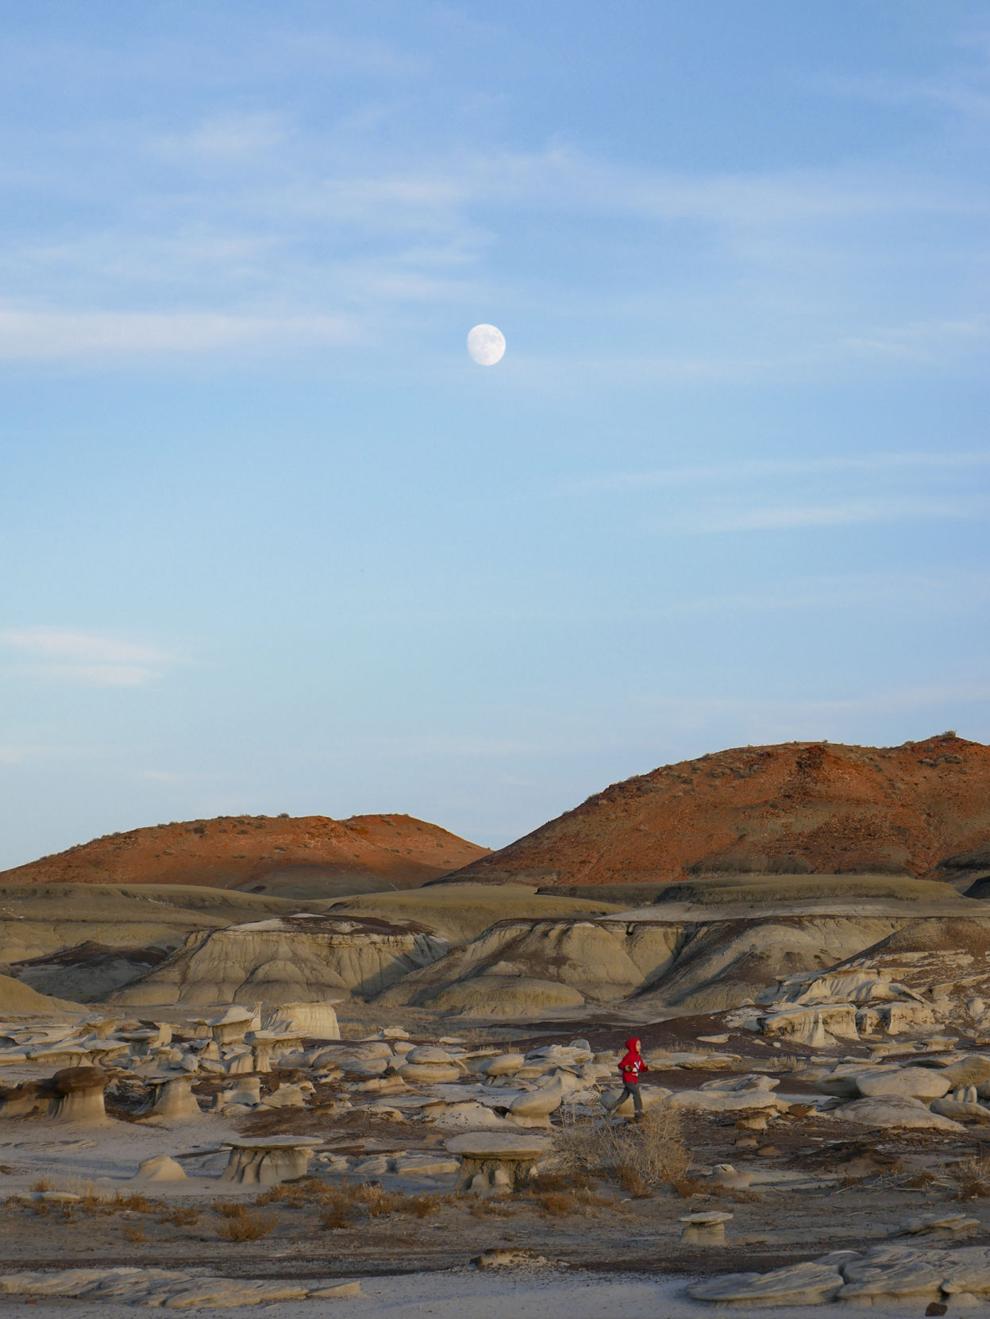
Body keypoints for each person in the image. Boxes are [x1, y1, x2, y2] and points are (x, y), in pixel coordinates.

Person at [610, 1036, 648, 1119]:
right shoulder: (629, 1056)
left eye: (640, 1045)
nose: (640, 1047)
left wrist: (646, 1068)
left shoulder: (638, 1057)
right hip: (628, 1079)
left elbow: (641, 1068)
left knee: (624, 1096)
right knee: (636, 1094)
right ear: (632, 1046)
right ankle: (639, 1113)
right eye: (638, 1045)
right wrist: (626, 1067)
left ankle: (611, 1108)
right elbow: (620, 1065)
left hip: (634, 1080)